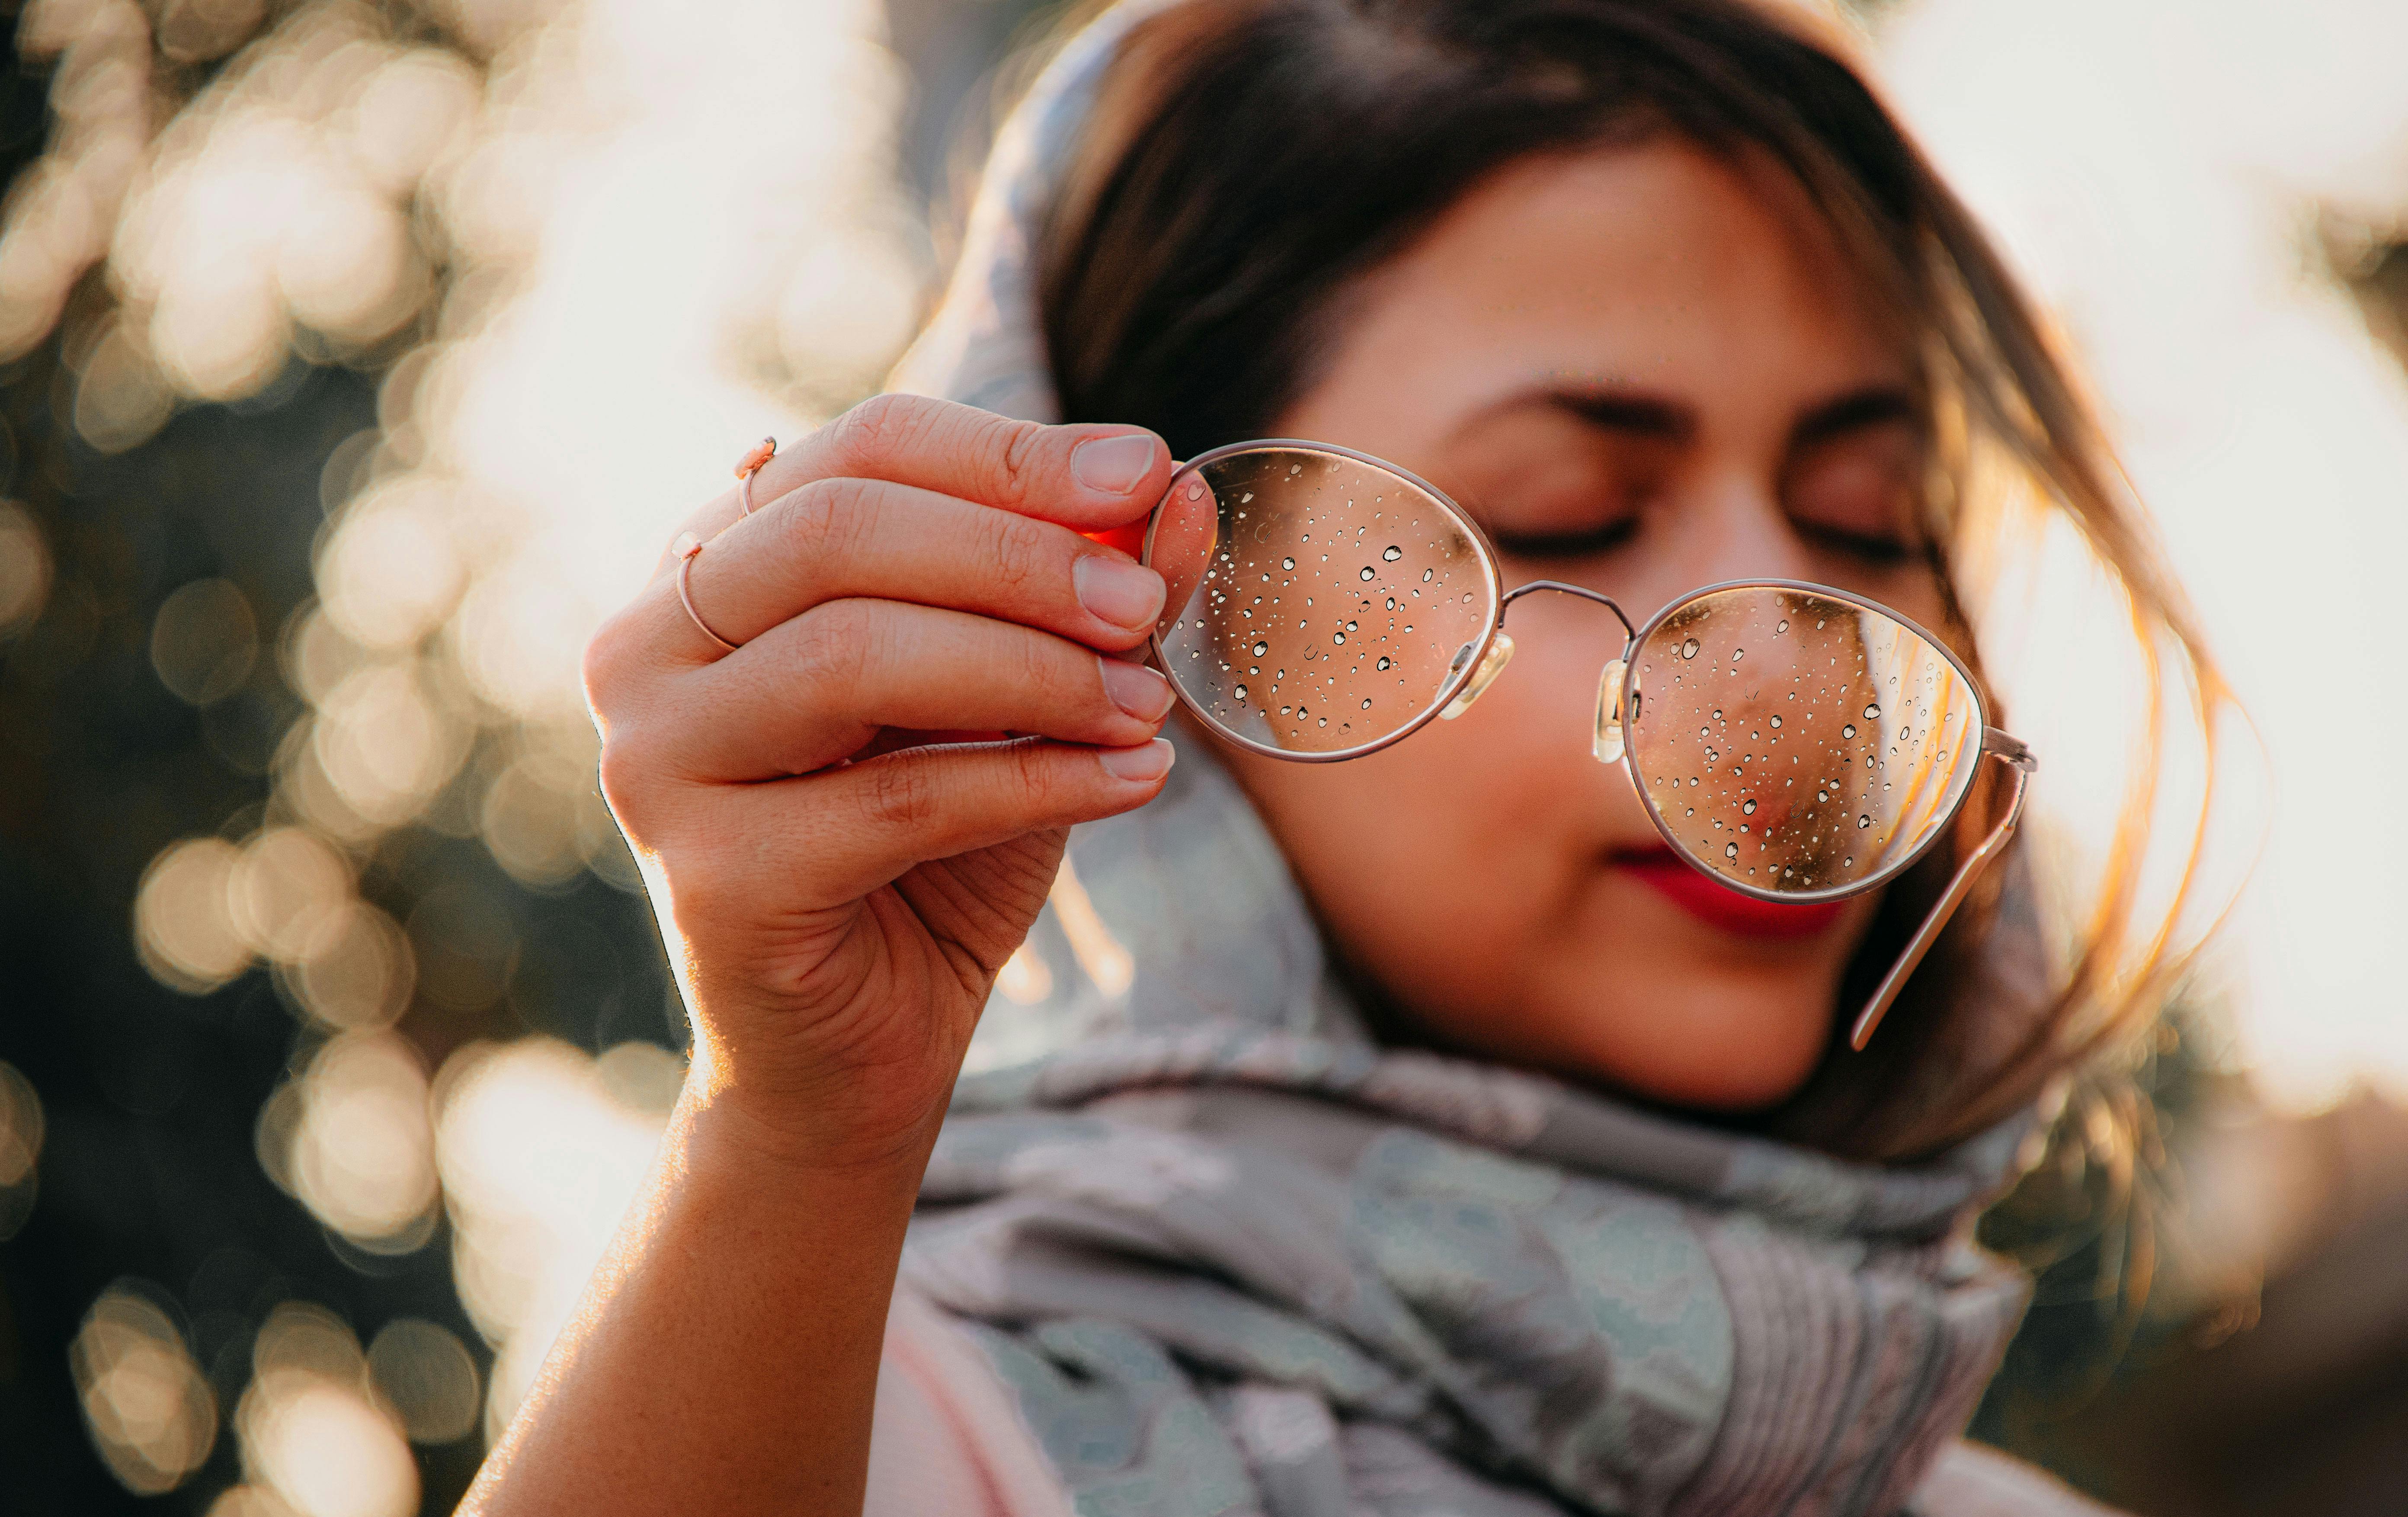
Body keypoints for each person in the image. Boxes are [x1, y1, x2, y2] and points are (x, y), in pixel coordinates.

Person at [462, 0, 2215, 1512]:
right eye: (1577, 513)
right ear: (1154, 592)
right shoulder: (845, 1424)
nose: (1787, 664)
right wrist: (791, 1137)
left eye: (1868, 520)